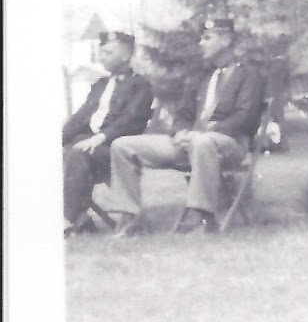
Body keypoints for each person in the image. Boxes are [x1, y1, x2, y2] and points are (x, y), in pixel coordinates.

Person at [102, 17, 268, 235]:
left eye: (207, 38)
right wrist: (180, 131)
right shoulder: (202, 76)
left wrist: (204, 132)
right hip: (190, 142)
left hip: (229, 144)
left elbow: (245, 118)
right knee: (122, 146)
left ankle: (200, 215)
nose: (201, 43)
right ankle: (131, 218)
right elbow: (183, 113)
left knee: (201, 141)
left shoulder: (248, 75)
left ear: (226, 40)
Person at [62, 30, 154, 233]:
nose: (102, 57)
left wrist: (100, 138)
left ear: (125, 55)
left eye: (108, 53)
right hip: (89, 144)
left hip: (118, 147)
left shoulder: (140, 85)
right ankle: (79, 219)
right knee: (63, 153)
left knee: (78, 154)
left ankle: (71, 220)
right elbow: (80, 118)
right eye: (101, 53)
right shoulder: (100, 85)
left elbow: (131, 121)